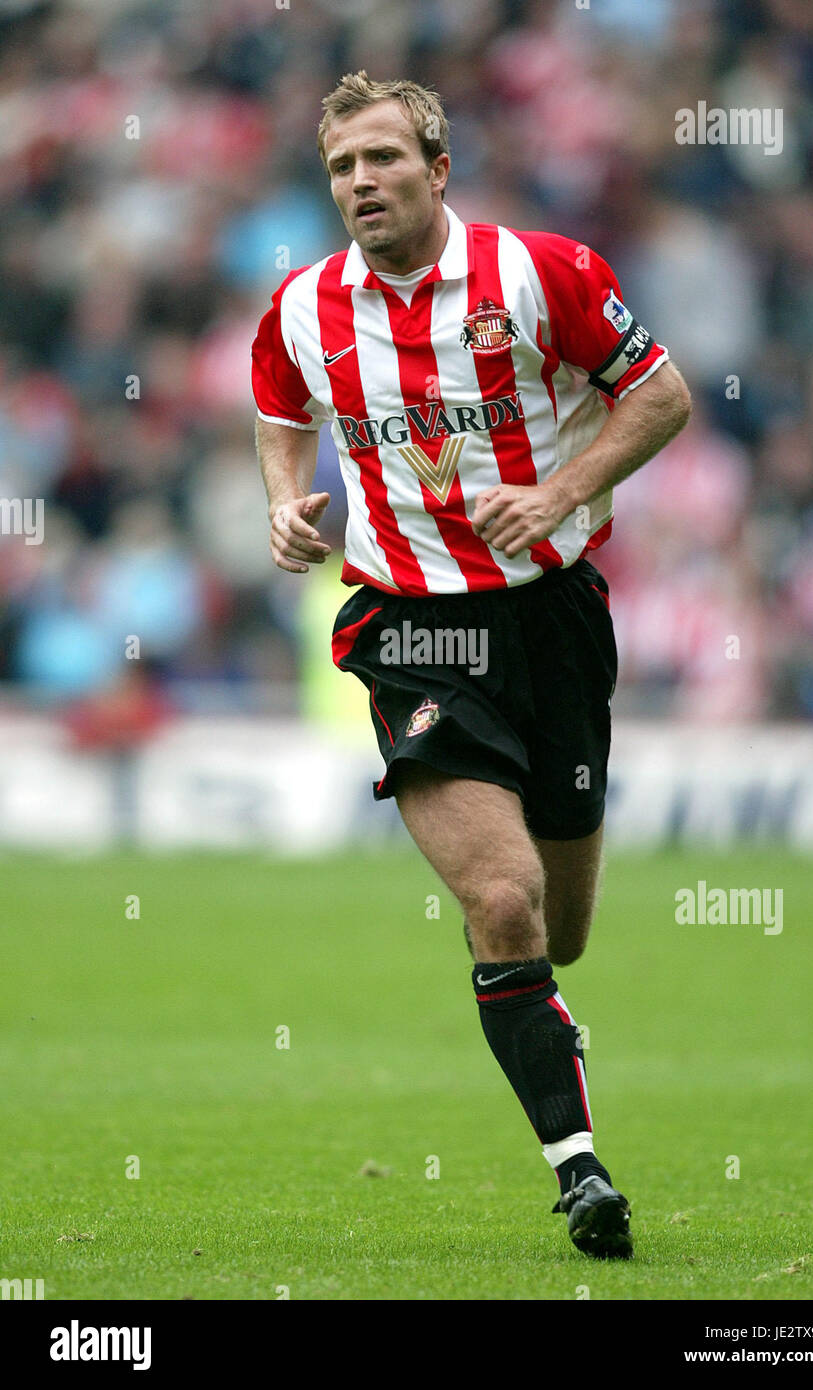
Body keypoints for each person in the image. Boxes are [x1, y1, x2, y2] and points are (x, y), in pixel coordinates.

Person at [251, 71, 691, 1259]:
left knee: (560, 928)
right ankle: (579, 1172)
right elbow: (278, 406)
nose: (361, 184)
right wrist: (288, 501)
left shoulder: (540, 273)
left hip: (552, 618)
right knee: (500, 902)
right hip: (413, 628)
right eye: (343, 167)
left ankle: (539, 1020)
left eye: (383, 159)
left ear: (437, 170)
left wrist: (557, 489)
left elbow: (660, 396)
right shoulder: (302, 305)